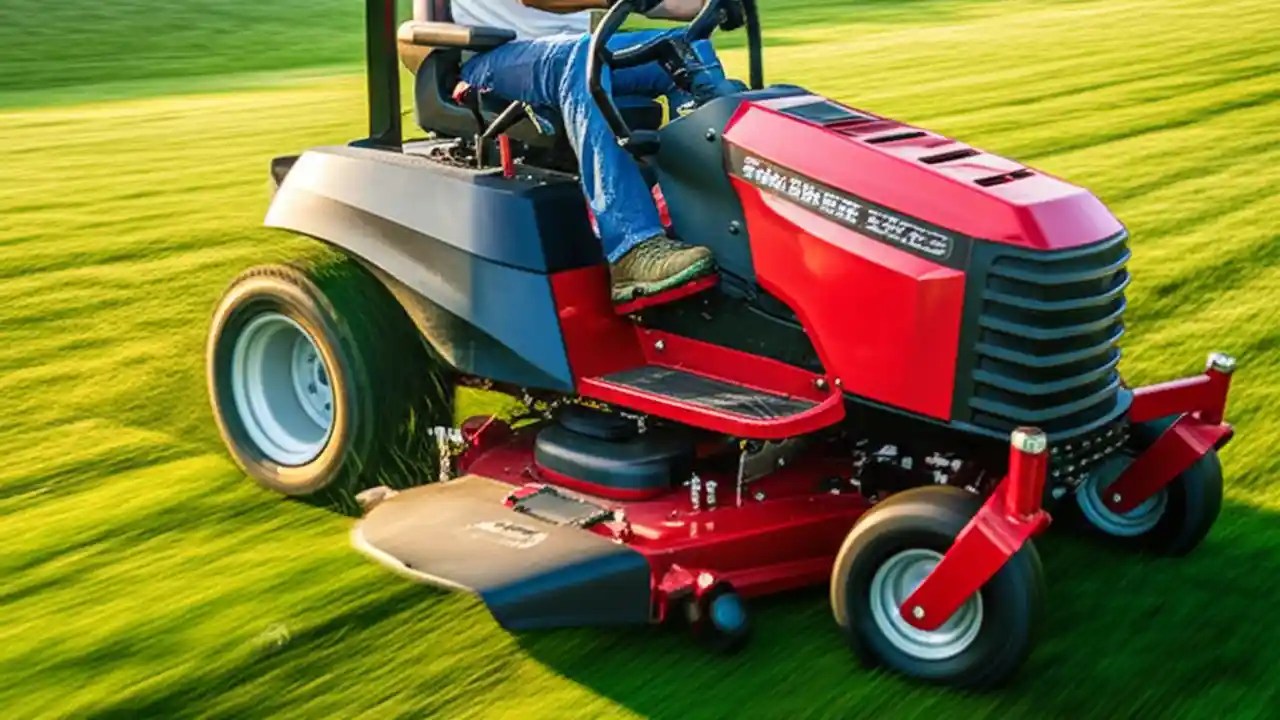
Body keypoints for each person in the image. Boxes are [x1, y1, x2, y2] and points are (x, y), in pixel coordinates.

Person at [453, 0, 726, 302]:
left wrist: (709, 5)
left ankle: (719, 214)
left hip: (574, 52)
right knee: (582, 58)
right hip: (493, 58)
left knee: (686, 48)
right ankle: (631, 247)